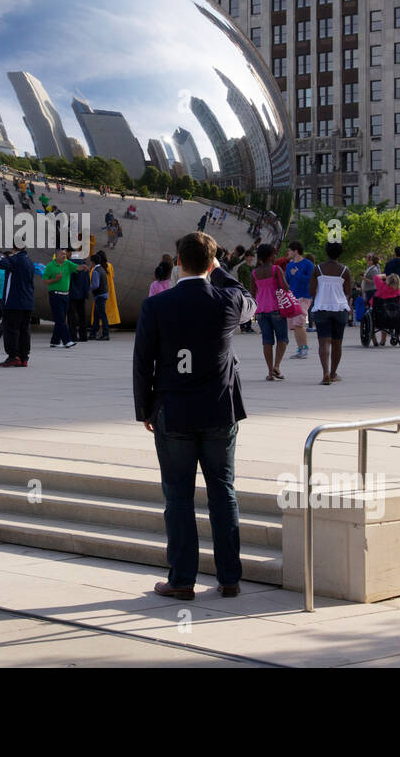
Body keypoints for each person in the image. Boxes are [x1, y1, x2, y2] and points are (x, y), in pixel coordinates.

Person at [133, 231, 254, 600]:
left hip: (174, 412)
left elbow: (142, 363)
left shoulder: (156, 305)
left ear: (178, 263)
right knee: (223, 492)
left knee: (179, 496)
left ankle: (182, 579)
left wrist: (145, 409)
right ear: (212, 263)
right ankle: (229, 577)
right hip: (219, 410)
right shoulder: (227, 299)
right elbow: (250, 300)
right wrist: (220, 269)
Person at [309, 242, 352, 385]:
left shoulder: (318, 269)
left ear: (326, 252)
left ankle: (325, 372)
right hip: (339, 308)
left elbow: (311, 291)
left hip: (321, 307)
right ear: (341, 253)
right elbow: (348, 292)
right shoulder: (344, 270)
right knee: (337, 342)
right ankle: (333, 373)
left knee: (324, 342)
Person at [251, 243, 293, 379]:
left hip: (261, 310)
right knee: (282, 338)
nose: (276, 256)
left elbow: (252, 293)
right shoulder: (276, 270)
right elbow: (285, 287)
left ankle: (270, 372)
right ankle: (277, 366)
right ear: (270, 256)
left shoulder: (254, 273)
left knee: (267, 340)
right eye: (274, 254)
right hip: (276, 308)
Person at [0, 245, 35, 367]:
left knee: (11, 330)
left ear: (14, 248)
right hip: (27, 301)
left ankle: (13, 356)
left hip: (14, 302)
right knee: (25, 330)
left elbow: (0, 263)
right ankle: (24, 357)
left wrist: (0, 255)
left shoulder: (15, 259)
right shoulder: (29, 261)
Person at [42, 248, 77, 349]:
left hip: (65, 295)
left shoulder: (67, 264)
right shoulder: (50, 266)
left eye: (65, 254)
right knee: (61, 319)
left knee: (59, 319)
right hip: (55, 295)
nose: (64, 255)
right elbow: (45, 281)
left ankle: (55, 341)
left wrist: (82, 267)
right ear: (56, 255)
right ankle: (67, 340)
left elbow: (76, 268)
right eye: (62, 254)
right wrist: (55, 279)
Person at [283, 241, 313, 359]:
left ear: (296, 251)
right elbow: (287, 282)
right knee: (294, 325)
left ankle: (304, 348)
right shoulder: (289, 265)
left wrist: (298, 274)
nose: (288, 252)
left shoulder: (308, 264)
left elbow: (311, 280)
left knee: (298, 323)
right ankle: (300, 349)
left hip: (304, 297)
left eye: (290, 250)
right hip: (292, 298)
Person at [372, 274, 400, 345]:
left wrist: (384, 276)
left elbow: (376, 277)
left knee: (374, 313)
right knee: (386, 313)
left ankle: (375, 338)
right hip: (394, 314)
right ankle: (383, 339)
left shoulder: (382, 286)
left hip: (380, 314)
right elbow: (399, 302)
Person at [68, 251, 91, 342]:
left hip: (72, 295)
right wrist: (86, 293)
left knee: (72, 316)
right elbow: (87, 282)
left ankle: (73, 336)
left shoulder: (70, 265)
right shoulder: (84, 266)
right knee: (82, 316)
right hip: (82, 295)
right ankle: (83, 336)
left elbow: (69, 280)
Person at [89, 251, 111, 341]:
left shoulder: (96, 271)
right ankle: (93, 334)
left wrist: (87, 288)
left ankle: (105, 334)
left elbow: (95, 285)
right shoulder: (102, 269)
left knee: (102, 315)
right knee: (97, 315)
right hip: (103, 294)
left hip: (100, 295)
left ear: (93, 262)